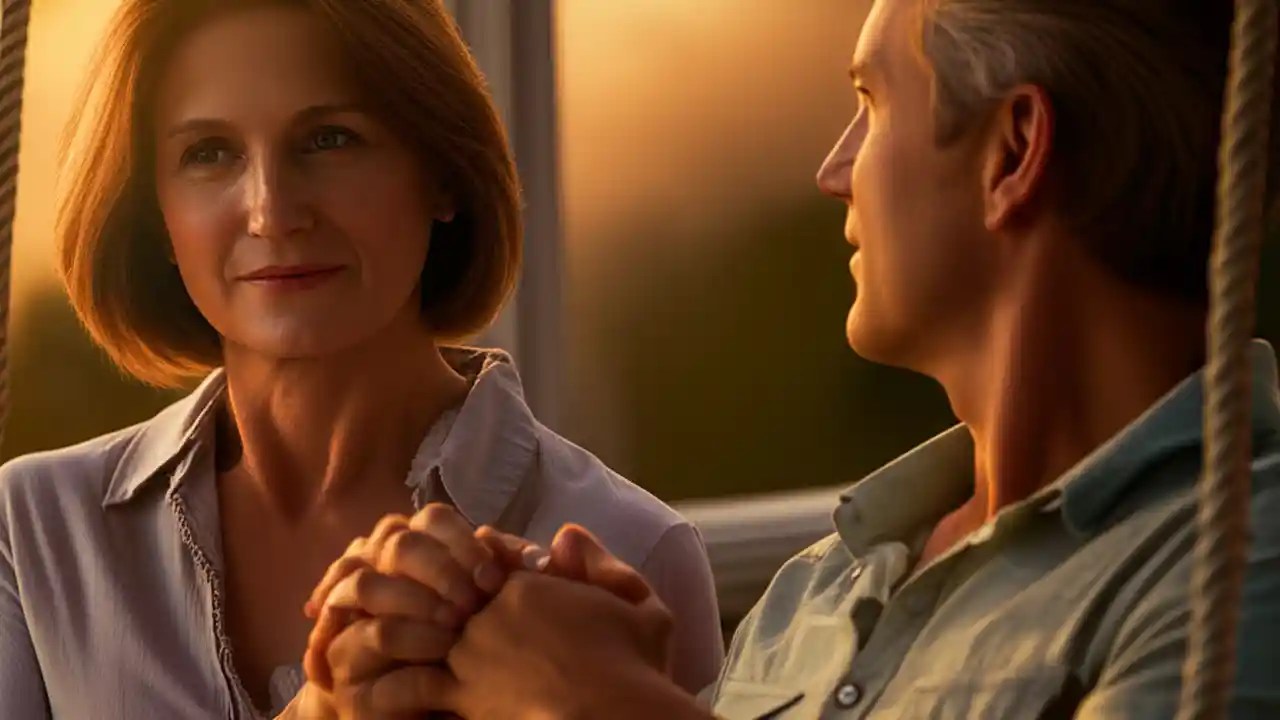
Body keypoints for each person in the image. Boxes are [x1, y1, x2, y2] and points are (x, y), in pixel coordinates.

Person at [298, 0, 1280, 717]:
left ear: (1011, 151)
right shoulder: (815, 592)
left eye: (871, 101)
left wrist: (593, 697)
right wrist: (399, 672)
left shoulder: (1241, 566)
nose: (832, 169)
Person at [0, 1, 725, 718]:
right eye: (209, 153)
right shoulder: (32, 533)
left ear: (441, 173)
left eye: (329, 140)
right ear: (152, 214)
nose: (272, 211)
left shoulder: (632, 548)